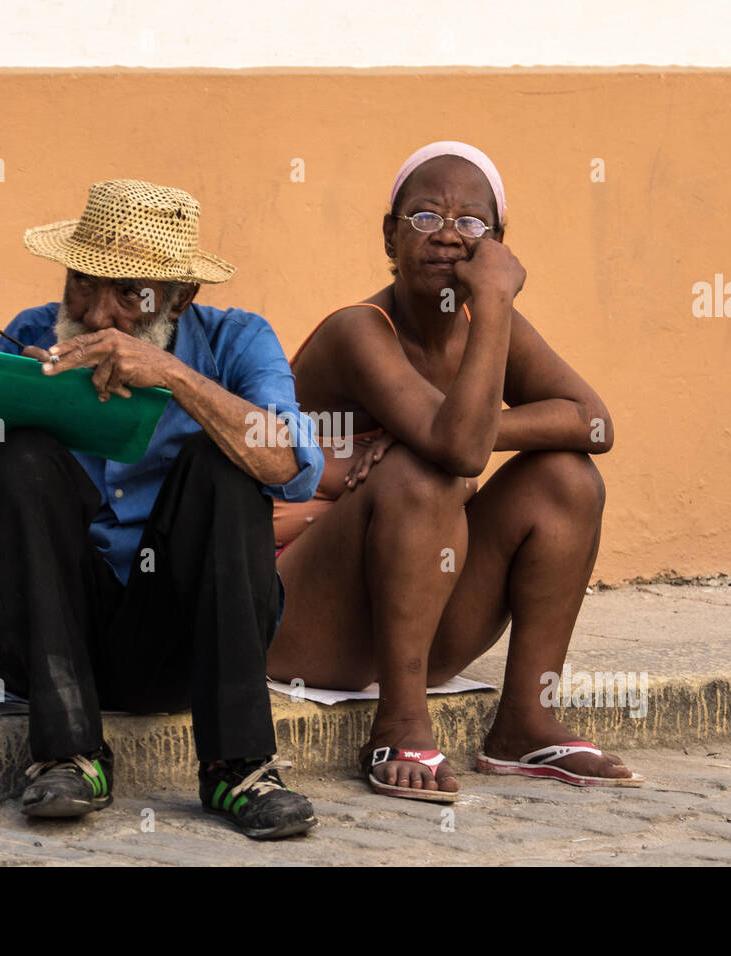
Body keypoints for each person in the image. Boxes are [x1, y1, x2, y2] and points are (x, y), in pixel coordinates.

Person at [0, 179, 323, 839]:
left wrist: (173, 378)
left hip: (172, 644)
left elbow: (289, 464)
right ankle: (67, 755)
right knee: (20, 454)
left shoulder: (237, 341)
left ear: (183, 296)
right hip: (44, 638)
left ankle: (240, 769)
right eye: (83, 283)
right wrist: (27, 419)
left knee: (225, 466)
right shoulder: (31, 335)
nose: (97, 314)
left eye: (129, 294)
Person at [267, 142, 641, 802]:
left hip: (417, 612)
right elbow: (456, 454)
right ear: (390, 234)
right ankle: (402, 722)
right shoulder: (360, 331)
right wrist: (493, 308)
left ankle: (526, 724)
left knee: (567, 479)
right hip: (303, 619)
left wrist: (483, 353)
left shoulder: (484, 324)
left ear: (497, 242)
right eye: (422, 218)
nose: (445, 235)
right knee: (425, 471)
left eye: (470, 222)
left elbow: (592, 421)